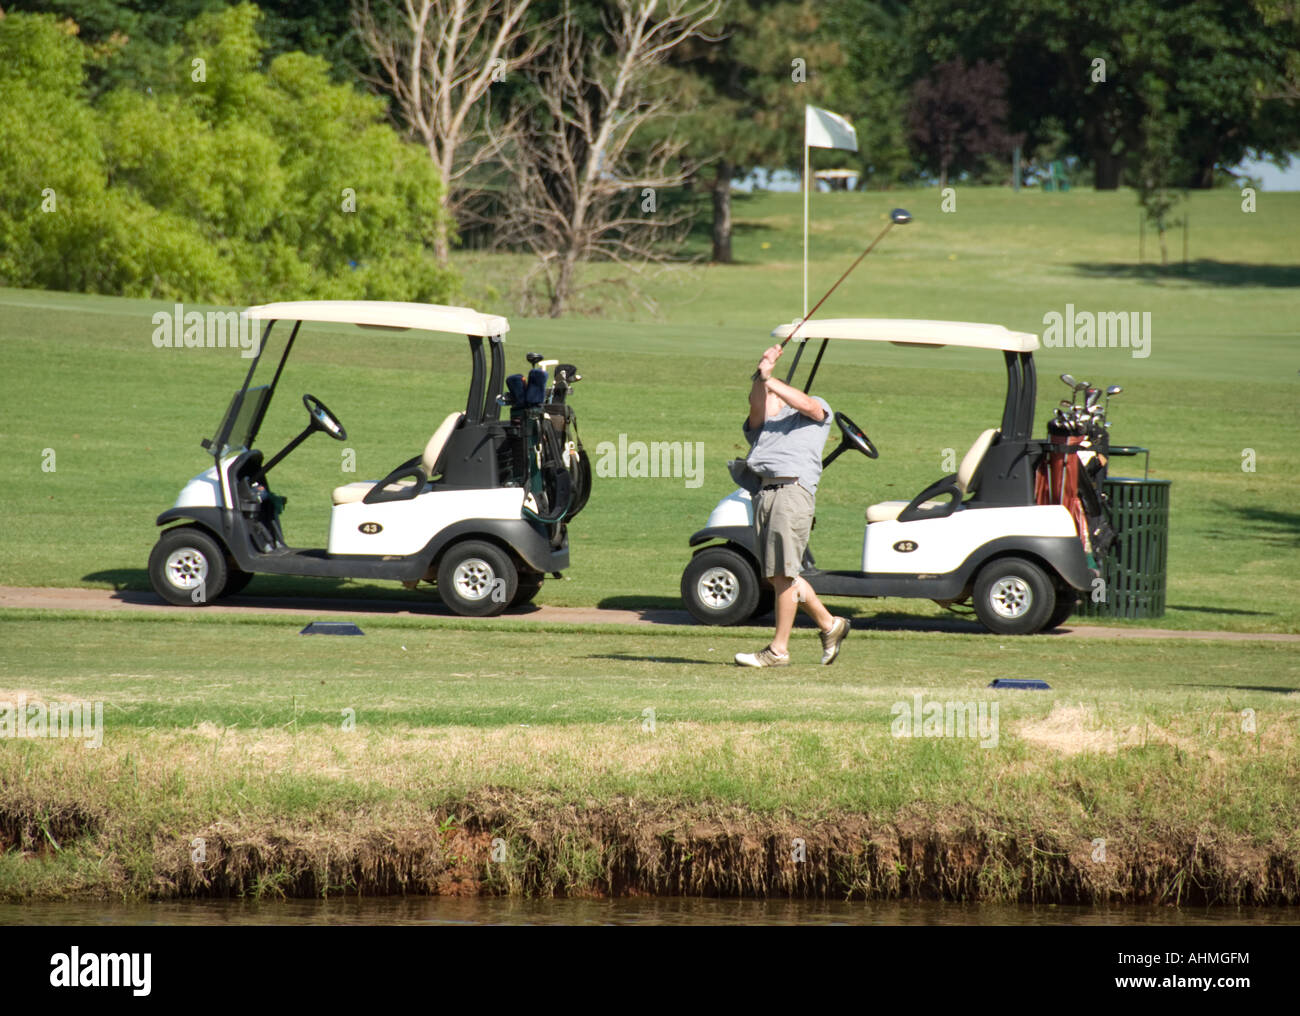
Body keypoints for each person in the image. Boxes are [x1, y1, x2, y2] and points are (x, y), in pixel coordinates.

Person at [734, 343, 850, 667]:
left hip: (792, 491)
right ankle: (830, 624)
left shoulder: (813, 413)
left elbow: (810, 406)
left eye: (771, 393)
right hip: (765, 494)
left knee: (784, 572)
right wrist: (761, 373)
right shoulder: (760, 427)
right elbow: (755, 407)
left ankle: (778, 650)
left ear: (782, 394)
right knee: (778, 574)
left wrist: (771, 380)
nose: (765, 398)